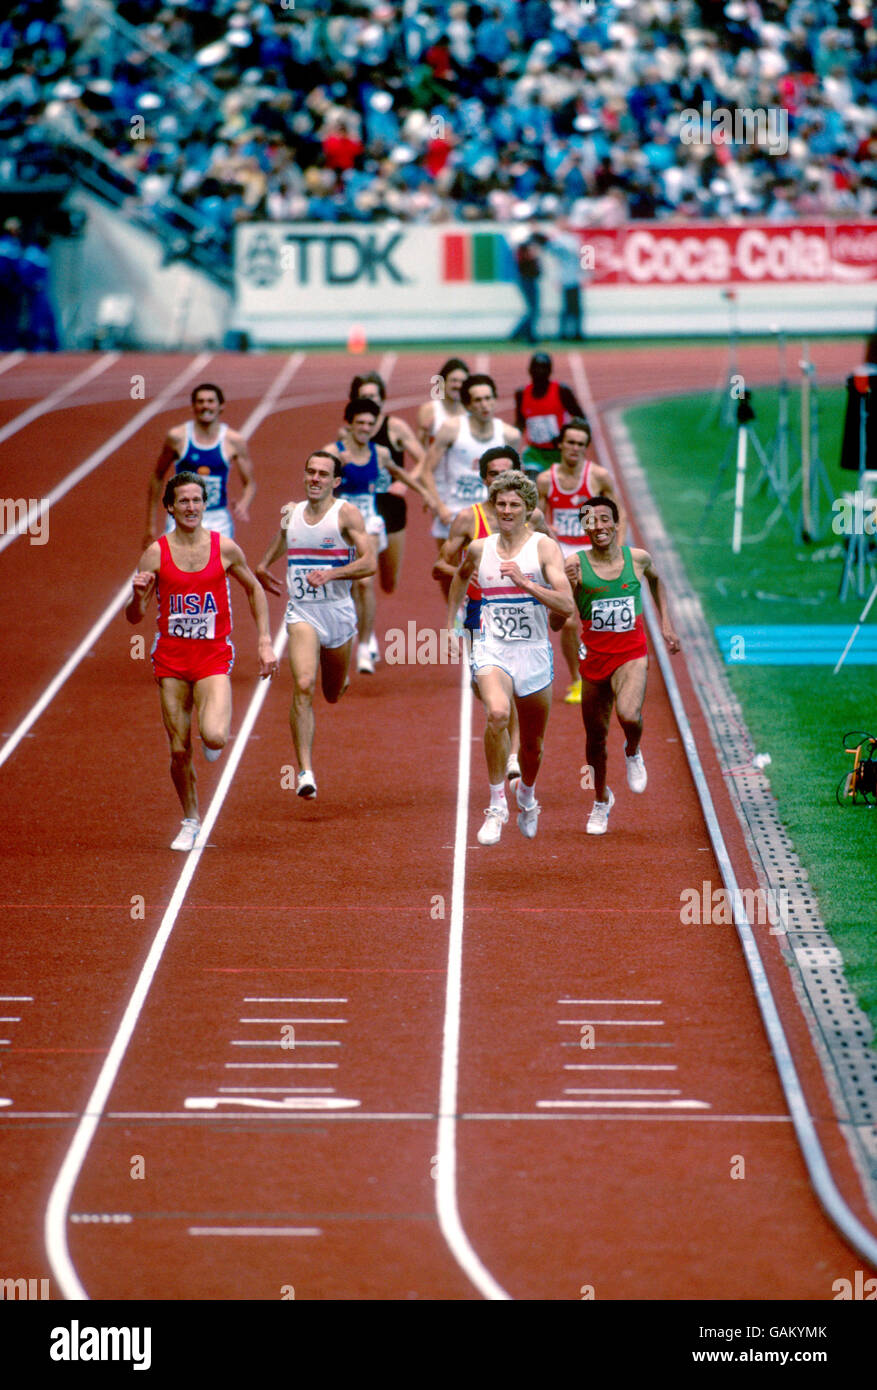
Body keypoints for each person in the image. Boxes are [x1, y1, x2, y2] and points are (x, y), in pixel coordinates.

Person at [126, 471, 278, 851]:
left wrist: (264, 642)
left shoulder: (224, 547)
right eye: (184, 501)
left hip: (212, 655)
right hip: (172, 658)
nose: (192, 507)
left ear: (205, 504)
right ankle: (191, 819)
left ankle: (212, 737)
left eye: (198, 500)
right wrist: (137, 595)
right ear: (171, 508)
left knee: (213, 736)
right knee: (179, 749)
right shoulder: (156, 553)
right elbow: (134, 617)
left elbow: (254, 589)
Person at [447, 469, 574, 845]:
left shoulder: (544, 548)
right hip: (493, 647)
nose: (505, 510)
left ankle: (528, 795)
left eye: (513, 505)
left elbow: (566, 604)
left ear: (528, 509)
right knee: (498, 714)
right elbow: (460, 575)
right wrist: (452, 620)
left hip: (533, 652)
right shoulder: (479, 548)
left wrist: (526, 583)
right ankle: (496, 803)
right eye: (500, 503)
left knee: (533, 745)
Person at [255, 451, 375, 798]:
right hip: (303, 611)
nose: (315, 478)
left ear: (336, 482)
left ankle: (341, 679)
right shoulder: (291, 512)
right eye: (310, 472)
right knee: (304, 684)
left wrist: (333, 573)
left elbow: (369, 563)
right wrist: (263, 565)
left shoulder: (346, 514)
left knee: (331, 694)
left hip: (337, 611)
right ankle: (306, 771)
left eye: (323, 474)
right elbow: (284, 536)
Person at [434, 443, 552, 786]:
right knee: (485, 687)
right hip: (479, 612)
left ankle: (514, 757)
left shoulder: (533, 516)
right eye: (493, 474)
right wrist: (461, 571)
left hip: (522, 611)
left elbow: (549, 554)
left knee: (513, 686)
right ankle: (507, 751)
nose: (500, 479)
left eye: (506, 472)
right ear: (484, 479)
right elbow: (441, 563)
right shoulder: (469, 518)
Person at [568, 496, 680, 835]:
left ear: (616, 524)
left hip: (632, 652)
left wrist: (666, 624)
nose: (598, 526)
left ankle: (632, 750)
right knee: (595, 738)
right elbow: (566, 613)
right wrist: (570, 585)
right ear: (584, 528)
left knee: (629, 715)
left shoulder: (638, 559)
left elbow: (658, 581)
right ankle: (601, 800)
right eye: (590, 521)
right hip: (595, 657)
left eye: (604, 519)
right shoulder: (575, 564)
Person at [321, 397, 430, 673]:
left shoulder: (380, 452)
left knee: (365, 583)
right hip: (340, 523)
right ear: (350, 424)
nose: (365, 428)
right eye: (360, 423)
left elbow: (399, 473)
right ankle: (340, 636)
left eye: (370, 423)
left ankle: (365, 646)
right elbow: (315, 484)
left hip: (368, 522)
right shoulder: (334, 453)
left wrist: (425, 493)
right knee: (343, 586)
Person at [536, 417, 620, 704]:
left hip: (593, 554)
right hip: (562, 556)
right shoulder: (546, 480)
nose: (575, 448)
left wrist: (615, 554)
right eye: (570, 442)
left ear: (587, 447)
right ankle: (576, 680)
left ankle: (606, 673)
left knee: (600, 620)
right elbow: (535, 520)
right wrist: (549, 530)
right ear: (560, 444)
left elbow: (616, 515)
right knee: (570, 621)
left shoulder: (598, 476)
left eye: (581, 444)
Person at [420, 373, 522, 582]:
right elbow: (426, 470)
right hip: (453, 512)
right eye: (478, 400)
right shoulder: (451, 429)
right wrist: (439, 506)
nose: (484, 405)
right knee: (448, 574)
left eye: (488, 398)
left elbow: (515, 478)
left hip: (491, 514)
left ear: (495, 400)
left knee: (492, 574)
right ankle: (456, 614)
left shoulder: (509, 435)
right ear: (467, 404)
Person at [143, 383, 256, 550]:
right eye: (200, 401)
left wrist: (244, 504)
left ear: (220, 406)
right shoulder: (177, 438)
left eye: (211, 401)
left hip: (217, 518)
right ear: (193, 406)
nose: (205, 406)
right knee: (175, 571)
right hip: (181, 516)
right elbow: (157, 476)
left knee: (217, 571)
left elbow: (250, 484)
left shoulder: (233, 440)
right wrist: (150, 525)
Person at [347, 371, 425, 598]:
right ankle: (363, 632)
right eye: (365, 396)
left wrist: (405, 483)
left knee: (389, 583)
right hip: (360, 509)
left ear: (382, 398)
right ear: (355, 400)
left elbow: (424, 458)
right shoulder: (348, 432)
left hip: (391, 506)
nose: (371, 400)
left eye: (374, 395)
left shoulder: (395, 427)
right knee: (361, 580)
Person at [514, 352, 585, 480]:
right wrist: (511, 441)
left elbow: (581, 418)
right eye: (536, 367)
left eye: (544, 367)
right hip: (535, 452)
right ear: (529, 370)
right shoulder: (522, 393)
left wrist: (566, 436)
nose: (539, 371)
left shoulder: (562, 391)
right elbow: (520, 422)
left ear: (550, 370)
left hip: (559, 453)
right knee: (533, 482)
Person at [417, 357, 470, 447]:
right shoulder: (430, 409)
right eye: (454, 380)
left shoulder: (471, 411)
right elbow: (421, 449)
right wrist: (425, 433)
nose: (458, 385)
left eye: (462, 382)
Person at [509, 231, 547, 344]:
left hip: (530, 280)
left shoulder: (525, 250)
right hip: (527, 281)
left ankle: (519, 334)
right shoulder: (522, 251)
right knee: (533, 310)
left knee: (533, 310)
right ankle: (521, 334)